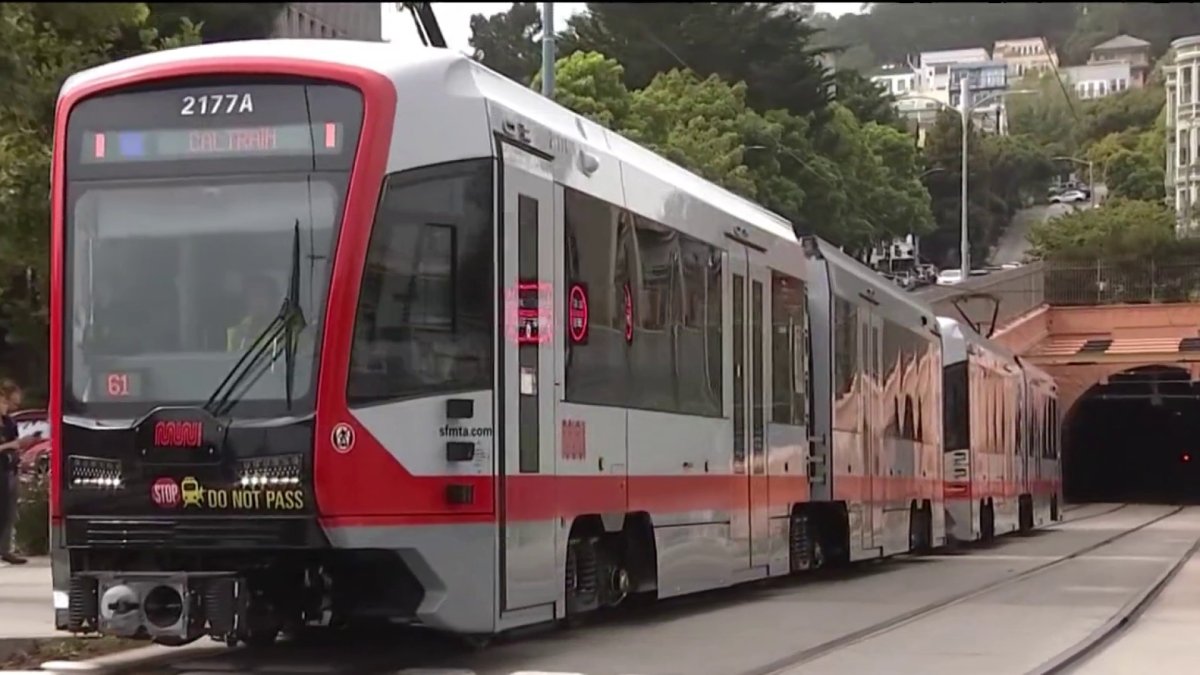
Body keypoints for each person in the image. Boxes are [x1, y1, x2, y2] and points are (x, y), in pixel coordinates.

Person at [0, 379, 36, 565]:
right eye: (9, 402)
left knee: (9, 510)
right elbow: (9, 444)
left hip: (9, 469)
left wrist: (21, 446)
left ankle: (5, 549)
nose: (10, 407)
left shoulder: (9, 422)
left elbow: (15, 444)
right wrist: (10, 445)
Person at [227, 275, 281, 353]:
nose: (257, 301)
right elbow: (229, 362)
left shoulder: (284, 331)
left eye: (262, 295)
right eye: (253, 295)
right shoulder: (235, 333)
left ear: (272, 300)